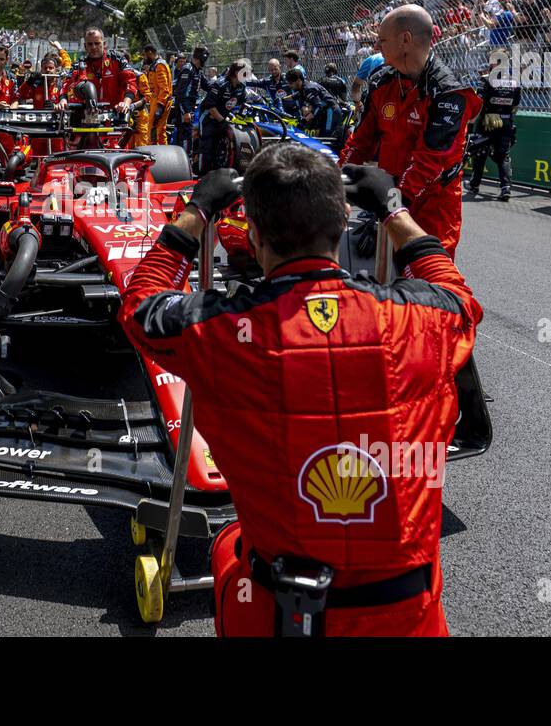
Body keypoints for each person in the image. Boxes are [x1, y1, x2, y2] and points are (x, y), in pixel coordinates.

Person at [118, 150, 482, 637]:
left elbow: (141, 303)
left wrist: (195, 213)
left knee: (230, 541)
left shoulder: (223, 331)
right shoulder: (426, 322)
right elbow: (456, 292)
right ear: (345, 219)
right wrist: (395, 211)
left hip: (284, 613)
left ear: (254, 236)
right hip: (409, 613)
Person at [338, 5, 481, 257]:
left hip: (433, 207)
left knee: (428, 283)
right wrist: (335, 189)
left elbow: (428, 164)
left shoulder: (449, 93)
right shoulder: (382, 83)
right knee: (381, 280)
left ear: (405, 40)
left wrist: (390, 210)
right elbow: (359, 143)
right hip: (394, 198)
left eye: (382, 40)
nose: (376, 46)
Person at [466, 66, 521, 201]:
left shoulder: (485, 80)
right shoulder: (515, 81)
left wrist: (471, 122)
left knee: (480, 152)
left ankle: (474, 184)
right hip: (506, 121)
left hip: (487, 121)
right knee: (503, 155)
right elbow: (516, 104)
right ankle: (506, 188)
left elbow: (479, 102)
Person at [61, 28, 137, 111]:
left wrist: (126, 102)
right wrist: (63, 100)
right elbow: (66, 84)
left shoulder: (117, 59)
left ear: (104, 44)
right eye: (90, 44)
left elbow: (130, 82)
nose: (94, 47)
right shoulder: (79, 64)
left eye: (97, 43)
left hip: (115, 114)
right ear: (85, 46)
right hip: (88, 116)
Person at [198, 61, 249, 173]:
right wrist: (222, 121)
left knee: (220, 149)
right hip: (209, 119)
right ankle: (202, 176)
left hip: (223, 120)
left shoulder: (242, 86)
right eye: (245, 73)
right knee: (207, 148)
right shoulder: (220, 84)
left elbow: (244, 104)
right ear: (237, 72)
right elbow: (210, 107)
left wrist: (240, 116)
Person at [172, 46, 210, 154]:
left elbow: (208, 86)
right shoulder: (188, 69)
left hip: (191, 106)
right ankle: (185, 162)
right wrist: (186, 112)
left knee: (188, 135)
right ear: (199, 57)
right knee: (185, 135)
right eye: (204, 58)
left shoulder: (198, 71)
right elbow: (180, 93)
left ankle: (184, 162)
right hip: (184, 107)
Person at [134, 44, 174, 146]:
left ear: (150, 53)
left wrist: (160, 106)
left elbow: (164, 88)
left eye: (144, 55)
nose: (144, 58)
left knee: (153, 130)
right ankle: (164, 152)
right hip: (157, 101)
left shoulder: (159, 65)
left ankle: (154, 153)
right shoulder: (156, 65)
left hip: (160, 102)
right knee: (161, 131)